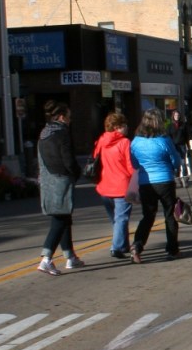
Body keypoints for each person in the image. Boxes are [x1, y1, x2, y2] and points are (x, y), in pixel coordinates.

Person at [36, 100, 84, 275]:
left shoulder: (44, 134)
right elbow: (68, 159)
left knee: (63, 216)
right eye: (69, 117)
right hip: (61, 179)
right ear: (62, 117)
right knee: (60, 219)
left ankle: (70, 256)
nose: (70, 121)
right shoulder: (62, 133)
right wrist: (76, 173)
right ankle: (46, 258)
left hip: (47, 180)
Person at [130, 108, 182, 262]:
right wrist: (173, 167)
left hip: (146, 182)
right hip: (165, 180)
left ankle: (137, 246)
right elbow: (175, 160)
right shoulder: (164, 140)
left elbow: (134, 163)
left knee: (148, 216)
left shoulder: (136, 142)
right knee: (170, 215)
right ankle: (172, 249)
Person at [93, 111, 134, 259]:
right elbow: (130, 167)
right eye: (124, 125)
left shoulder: (101, 141)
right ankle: (116, 247)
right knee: (121, 219)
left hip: (104, 186)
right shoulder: (124, 143)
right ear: (117, 127)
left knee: (116, 220)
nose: (127, 128)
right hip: (121, 187)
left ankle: (123, 245)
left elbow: (96, 161)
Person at [166, 108, 191, 178]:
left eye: (178, 115)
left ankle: (185, 179)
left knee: (183, 163)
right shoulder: (170, 126)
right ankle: (177, 178)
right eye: (175, 115)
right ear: (173, 116)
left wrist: (188, 147)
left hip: (182, 145)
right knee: (176, 163)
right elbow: (168, 137)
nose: (177, 116)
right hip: (174, 146)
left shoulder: (183, 125)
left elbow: (187, 137)